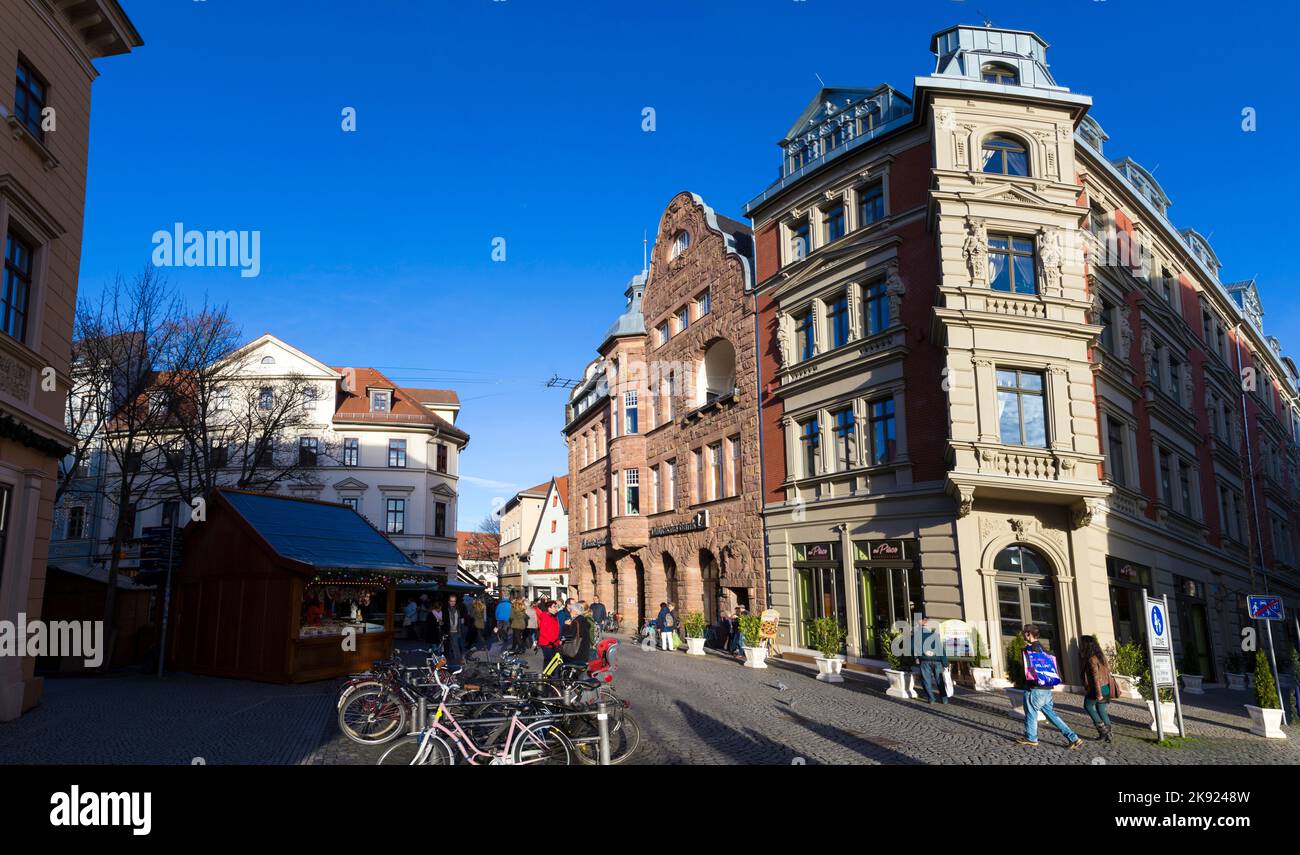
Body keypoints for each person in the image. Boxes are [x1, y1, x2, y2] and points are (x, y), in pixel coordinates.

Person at [1017, 624, 1083, 750]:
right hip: (1047, 689)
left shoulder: (1030, 650)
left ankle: (1031, 738)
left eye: (1024, 633)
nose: (1023, 636)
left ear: (1028, 634)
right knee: (1052, 715)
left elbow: (1028, 670)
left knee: (1031, 712)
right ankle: (1074, 738)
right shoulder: (1044, 649)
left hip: (1034, 688)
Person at [1080, 634, 1116, 743]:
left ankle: (1103, 731)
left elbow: (1096, 677)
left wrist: (1098, 693)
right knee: (1101, 709)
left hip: (1097, 689)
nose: (1080, 646)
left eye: (1082, 644)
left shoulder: (1091, 659)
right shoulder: (1101, 657)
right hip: (1106, 687)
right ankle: (1108, 734)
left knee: (1088, 706)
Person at [914, 616, 949, 704]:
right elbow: (941, 650)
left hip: (924, 661)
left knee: (926, 680)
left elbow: (912, 649)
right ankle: (944, 698)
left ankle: (931, 699)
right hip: (937, 661)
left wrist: (919, 655)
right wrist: (945, 663)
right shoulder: (935, 635)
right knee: (939, 680)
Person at [443, 594, 467, 670]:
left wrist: (460, 630)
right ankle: (452, 661)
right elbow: (444, 620)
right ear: (448, 601)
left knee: (456, 646)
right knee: (448, 647)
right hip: (448, 630)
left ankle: (458, 661)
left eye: (454, 601)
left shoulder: (457, 609)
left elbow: (459, 620)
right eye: (451, 601)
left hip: (456, 630)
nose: (453, 602)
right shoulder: (445, 610)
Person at [536, 599, 561, 670]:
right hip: (547, 643)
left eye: (556, 606)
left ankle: (548, 676)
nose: (556, 608)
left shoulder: (554, 616)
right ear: (549, 608)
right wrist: (552, 640)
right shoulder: (545, 616)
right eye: (554, 607)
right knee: (549, 661)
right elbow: (543, 632)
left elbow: (556, 629)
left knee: (551, 661)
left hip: (554, 642)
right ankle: (547, 677)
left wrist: (557, 640)